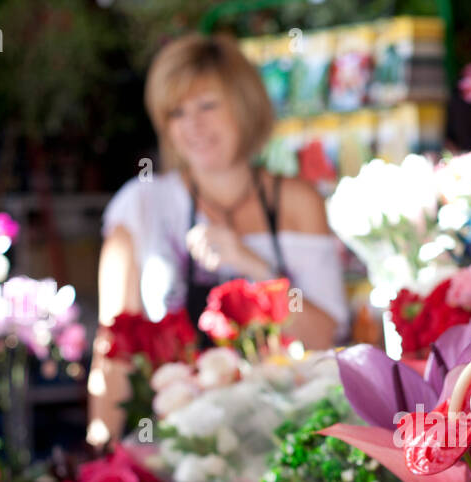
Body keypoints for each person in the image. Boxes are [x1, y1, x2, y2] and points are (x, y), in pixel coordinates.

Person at [89, 32, 349, 445]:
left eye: (208, 105)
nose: (193, 125)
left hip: (287, 440)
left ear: (244, 109)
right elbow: (114, 349)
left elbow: (323, 339)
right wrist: (103, 449)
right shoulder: (141, 204)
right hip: (181, 445)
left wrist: (252, 267)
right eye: (177, 112)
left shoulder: (297, 201)